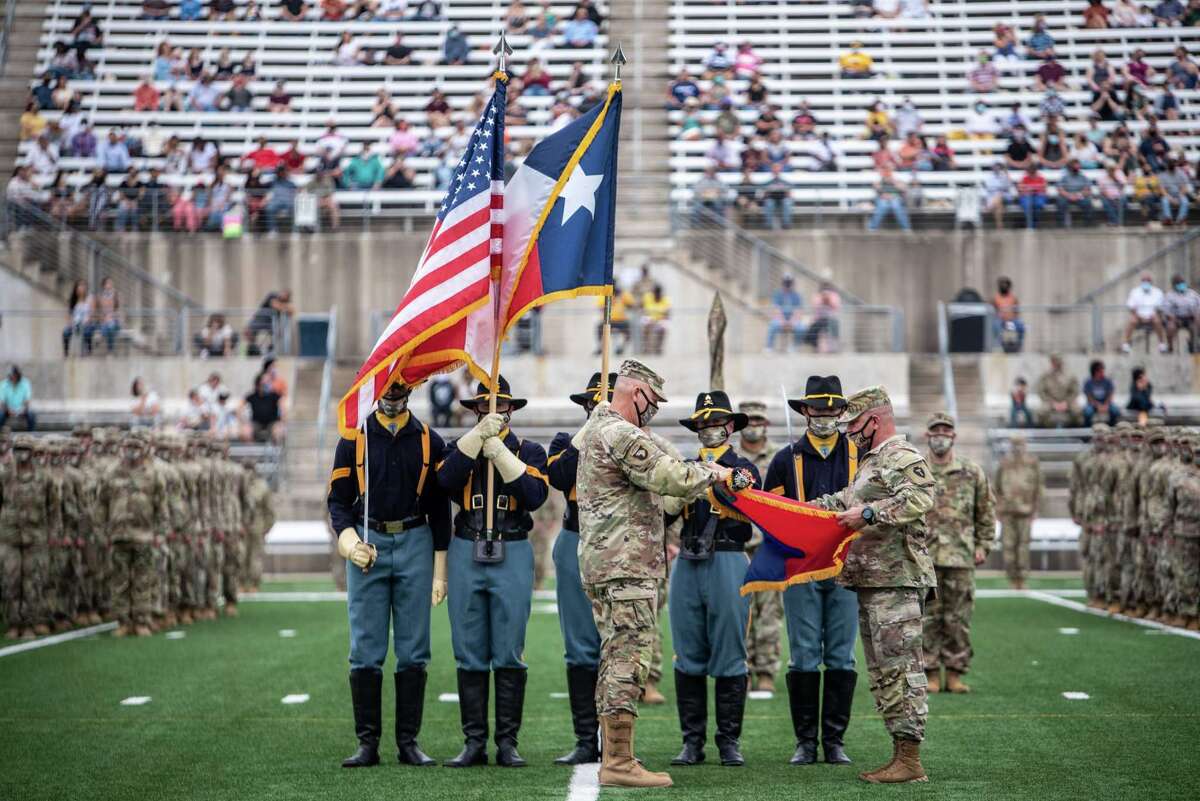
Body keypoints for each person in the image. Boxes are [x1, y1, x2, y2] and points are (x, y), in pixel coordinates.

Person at [575, 360, 737, 788]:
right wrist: (714, 472)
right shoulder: (620, 433)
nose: (655, 410)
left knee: (614, 657)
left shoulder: (597, 429)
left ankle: (615, 754)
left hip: (607, 562)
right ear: (636, 393)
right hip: (626, 566)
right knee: (629, 659)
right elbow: (672, 476)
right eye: (654, 401)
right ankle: (619, 762)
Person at [806, 386, 935, 783]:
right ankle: (900, 755)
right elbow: (844, 501)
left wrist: (871, 513)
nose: (849, 433)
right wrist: (796, 512)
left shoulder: (900, 455)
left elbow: (922, 495)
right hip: (873, 581)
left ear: (873, 421)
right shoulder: (871, 462)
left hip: (896, 580)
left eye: (854, 425)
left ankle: (910, 759)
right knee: (883, 671)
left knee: (900, 669)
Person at [328, 378, 451, 768]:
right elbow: (339, 501)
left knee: (414, 648)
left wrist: (439, 569)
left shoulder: (430, 440)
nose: (393, 397)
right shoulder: (354, 438)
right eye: (387, 390)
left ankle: (408, 742)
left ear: (411, 391)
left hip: (415, 539)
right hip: (370, 542)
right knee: (365, 647)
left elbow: (439, 508)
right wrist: (349, 542)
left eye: (399, 390)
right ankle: (367, 743)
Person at [436, 376, 548, 769]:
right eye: (484, 409)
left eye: (499, 408)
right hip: (466, 548)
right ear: (475, 412)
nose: (492, 414)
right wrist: (476, 441)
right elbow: (444, 482)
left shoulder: (529, 450)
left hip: (512, 547)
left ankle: (507, 742)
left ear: (512, 410)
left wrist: (499, 452)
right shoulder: (458, 449)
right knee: (468, 648)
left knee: (509, 649)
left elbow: (534, 497)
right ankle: (473, 742)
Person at [759, 378, 861, 766]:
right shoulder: (786, 459)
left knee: (841, 656)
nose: (824, 417)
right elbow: (772, 515)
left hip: (844, 568)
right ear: (805, 412)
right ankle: (805, 741)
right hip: (801, 569)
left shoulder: (858, 455)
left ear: (841, 413)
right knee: (803, 656)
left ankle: (834, 741)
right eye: (817, 410)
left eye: (832, 410)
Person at [666, 392, 760, 769]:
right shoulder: (682, 466)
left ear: (731, 427)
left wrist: (714, 480)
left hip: (727, 558)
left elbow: (747, 501)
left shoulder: (744, 467)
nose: (709, 430)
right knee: (687, 652)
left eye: (716, 423)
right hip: (688, 559)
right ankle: (692, 742)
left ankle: (728, 741)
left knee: (729, 651)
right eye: (702, 424)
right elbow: (666, 513)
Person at [546, 373, 615, 766]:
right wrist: (590, 428)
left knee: (619, 643)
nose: (598, 409)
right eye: (592, 404)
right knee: (579, 645)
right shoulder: (564, 441)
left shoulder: (633, 442)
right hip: (575, 538)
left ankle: (619, 740)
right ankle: (586, 738)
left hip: (618, 543)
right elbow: (559, 476)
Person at [920, 412, 996, 694]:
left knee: (958, 618)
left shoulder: (971, 471)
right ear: (927, 435)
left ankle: (954, 673)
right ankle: (929, 672)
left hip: (961, 557)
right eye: (935, 430)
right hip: (924, 558)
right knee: (927, 617)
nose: (940, 435)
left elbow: (986, 512)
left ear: (954, 435)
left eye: (945, 431)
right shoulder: (917, 470)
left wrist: (983, 545)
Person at [734, 401, 784, 694]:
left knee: (769, 612)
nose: (753, 426)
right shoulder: (731, 459)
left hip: (771, 544)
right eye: (748, 421)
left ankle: (765, 670)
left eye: (759, 421)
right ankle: (742, 668)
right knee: (739, 610)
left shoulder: (779, 456)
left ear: (766, 424)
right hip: (738, 543)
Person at [99, 430, 167, 637]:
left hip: (144, 536)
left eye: (136, 447)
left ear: (144, 449)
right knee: (119, 581)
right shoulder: (111, 473)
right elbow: (101, 504)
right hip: (118, 535)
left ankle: (142, 621)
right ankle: (123, 622)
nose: (132, 452)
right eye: (128, 447)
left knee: (143, 580)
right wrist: (103, 532)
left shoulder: (153, 474)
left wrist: (160, 534)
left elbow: (161, 506)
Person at [995, 436, 1042, 590]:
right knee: (1008, 546)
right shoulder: (1004, 463)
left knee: (1023, 546)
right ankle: (1012, 577)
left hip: (1026, 510)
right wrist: (998, 509)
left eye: (1020, 444)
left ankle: (1022, 578)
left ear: (1025, 445)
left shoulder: (1032, 463)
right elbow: (997, 487)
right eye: (1014, 444)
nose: (1017, 447)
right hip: (1007, 511)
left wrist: (1036, 509)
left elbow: (1038, 487)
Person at [1122, 271, 1167, 353]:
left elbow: (1160, 308)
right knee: (1132, 320)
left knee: (1157, 320)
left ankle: (1161, 344)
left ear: (1151, 281)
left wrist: (1153, 315)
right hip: (1139, 317)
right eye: (1144, 280)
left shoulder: (1158, 292)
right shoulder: (1134, 292)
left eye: (1148, 280)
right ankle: (1126, 344)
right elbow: (1131, 307)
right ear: (1141, 281)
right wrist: (1139, 316)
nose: (1146, 282)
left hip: (1153, 317)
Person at [1035, 354, 1079, 427]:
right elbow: (1041, 392)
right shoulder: (1045, 376)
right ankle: (1046, 433)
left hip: (1067, 402)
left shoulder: (1070, 375)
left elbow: (1074, 392)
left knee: (1077, 412)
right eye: (1053, 361)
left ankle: (1074, 434)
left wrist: (1066, 403)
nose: (1055, 363)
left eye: (1057, 361)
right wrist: (1053, 403)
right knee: (1040, 412)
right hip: (1050, 402)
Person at [1163, 274, 1199, 352]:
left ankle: (1193, 344)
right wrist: (1174, 318)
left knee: (1197, 322)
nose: (1181, 285)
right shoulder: (1169, 295)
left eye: (1182, 282)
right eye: (1179, 283)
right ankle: (1170, 347)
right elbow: (1167, 311)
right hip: (1176, 319)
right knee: (1170, 327)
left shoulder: (1192, 294)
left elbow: (1198, 306)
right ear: (1174, 285)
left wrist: (1196, 314)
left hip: (1190, 318)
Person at [767, 275, 804, 351]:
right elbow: (777, 310)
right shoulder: (778, 295)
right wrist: (783, 321)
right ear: (782, 283)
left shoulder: (796, 296)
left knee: (801, 328)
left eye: (789, 283)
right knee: (773, 325)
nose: (787, 285)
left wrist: (791, 322)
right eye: (786, 283)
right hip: (780, 320)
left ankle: (794, 347)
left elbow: (798, 311)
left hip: (793, 321)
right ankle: (769, 347)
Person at [868, 166, 911, 232]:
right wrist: (882, 181)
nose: (887, 173)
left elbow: (904, 189)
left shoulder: (896, 179)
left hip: (895, 198)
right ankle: (873, 228)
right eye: (885, 171)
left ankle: (906, 228)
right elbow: (876, 188)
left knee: (896, 206)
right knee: (882, 206)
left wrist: (894, 182)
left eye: (889, 171)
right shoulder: (879, 180)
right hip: (882, 198)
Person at [1082, 360, 1121, 426]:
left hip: (1106, 403)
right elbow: (1089, 398)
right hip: (1093, 404)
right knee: (1087, 412)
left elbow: (1110, 395)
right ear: (1095, 372)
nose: (1103, 372)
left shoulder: (1108, 381)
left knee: (1115, 411)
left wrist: (1105, 405)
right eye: (1101, 371)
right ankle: (1087, 430)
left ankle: (1111, 428)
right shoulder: (1088, 382)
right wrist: (1098, 406)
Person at [1057, 160, 1093, 227]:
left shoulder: (1083, 176)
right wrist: (1069, 195)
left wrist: (1078, 195)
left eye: (1078, 165)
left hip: (1080, 196)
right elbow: (1060, 189)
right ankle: (1061, 224)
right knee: (1061, 202)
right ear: (1070, 167)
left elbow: (1087, 189)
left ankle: (1088, 224)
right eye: (1076, 165)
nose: (1078, 167)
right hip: (1067, 196)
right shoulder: (1064, 176)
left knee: (1087, 202)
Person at [0, 365, 36, 431]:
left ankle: (30, 435)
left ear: (19, 375)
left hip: (22, 410)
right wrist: (8, 410)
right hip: (8, 410)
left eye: (16, 376)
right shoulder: (3, 384)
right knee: (0, 415)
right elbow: (2, 402)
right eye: (13, 376)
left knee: (31, 415)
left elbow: (27, 400)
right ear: (9, 376)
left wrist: (23, 409)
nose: (14, 378)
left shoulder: (25, 383)